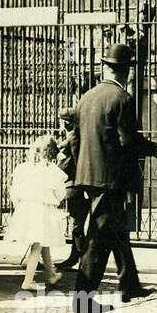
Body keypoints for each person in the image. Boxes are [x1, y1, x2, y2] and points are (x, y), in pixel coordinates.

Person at [71, 43, 157, 313]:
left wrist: (83, 170)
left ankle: (130, 285)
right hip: (111, 179)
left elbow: (76, 141)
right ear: (126, 72)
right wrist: (153, 148)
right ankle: (83, 301)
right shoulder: (122, 98)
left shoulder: (87, 96)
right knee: (98, 238)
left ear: (106, 67)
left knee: (117, 230)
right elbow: (128, 140)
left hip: (89, 174)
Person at [4, 135, 68, 290]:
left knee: (42, 242)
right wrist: (54, 200)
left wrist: (19, 204)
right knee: (37, 245)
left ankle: (51, 275)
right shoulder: (53, 171)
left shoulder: (23, 168)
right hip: (42, 210)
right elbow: (60, 193)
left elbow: (15, 190)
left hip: (26, 208)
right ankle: (28, 281)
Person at [55, 107, 86, 271]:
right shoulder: (72, 136)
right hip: (72, 186)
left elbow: (77, 162)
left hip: (75, 186)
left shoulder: (74, 137)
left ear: (66, 122)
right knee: (76, 224)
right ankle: (76, 257)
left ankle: (81, 259)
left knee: (76, 225)